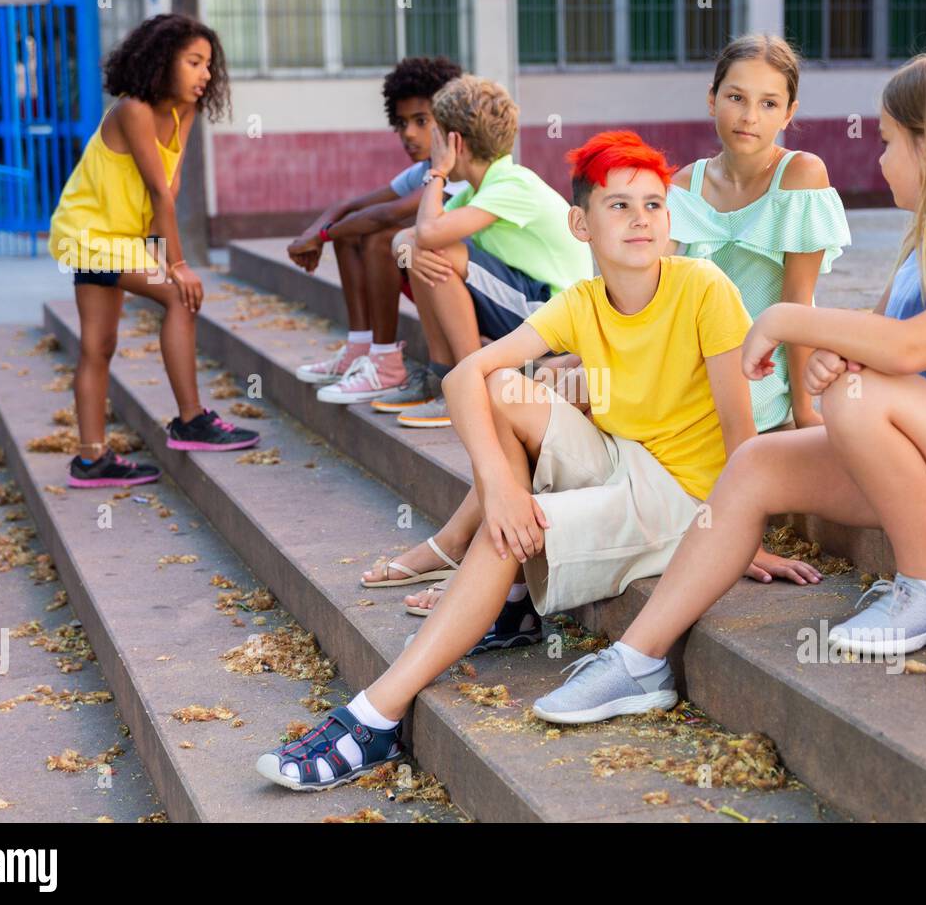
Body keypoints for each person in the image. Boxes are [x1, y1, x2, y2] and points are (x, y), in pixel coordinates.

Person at [531, 50, 926, 724]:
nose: (880, 160)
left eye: (892, 143)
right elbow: (887, 336)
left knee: (856, 398)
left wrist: (792, 323)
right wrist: (837, 358)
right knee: (754, 465)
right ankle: (637, 661)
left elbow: (914, 347)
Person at [255, 130, 817, 791]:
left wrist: (731, 534)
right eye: (619, 205)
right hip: (620, 461)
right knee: (503, 390)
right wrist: (499, 486)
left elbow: (740, 434)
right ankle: (514, 599)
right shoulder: (582, 301)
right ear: (580, 223)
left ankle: (375, 716)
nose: (641, 218)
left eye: (654, 204)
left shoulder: (703, 289)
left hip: (678, 500)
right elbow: (467, 375)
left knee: (506, 536)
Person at [50, 13, 258, 490]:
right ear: (164, 61)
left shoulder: (182, 113)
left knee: (98, 347)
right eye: (194, 62)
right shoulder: (134, 110)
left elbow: (171, 185)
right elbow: (160, 195)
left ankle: (91, 460)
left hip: (121, 237)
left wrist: (160, 250)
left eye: (209, 64)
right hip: (91, 234)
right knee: (178, 295)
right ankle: (190, 420)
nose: (206, 74)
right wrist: (177, 265)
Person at [668, 33, 850, 435]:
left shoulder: (802, 176)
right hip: (690, 372)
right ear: (712, 99)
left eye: (769, 104)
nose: (750, 116)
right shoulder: (682, 187)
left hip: (761, 381)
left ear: (788, 114)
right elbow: (659, 298)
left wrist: (804, 412)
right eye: (736, 98)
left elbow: (797, 304)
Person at [388, 75, 593, 429]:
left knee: (436, 248)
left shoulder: (515, 184)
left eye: (436, 133)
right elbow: (409, 237)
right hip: (527, 312)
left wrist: (436, 172)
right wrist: (405, 244)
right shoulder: (476, 192)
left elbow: (428, 231)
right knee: (425, 250)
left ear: (455, 143)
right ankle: (443, 377)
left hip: (556, 319)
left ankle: (467, 391)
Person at [289, 57, 465, 409]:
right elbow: (352, 206)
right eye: (401, 124)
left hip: (470, 295)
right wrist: (315, 231)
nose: (409, 134)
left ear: (448, 120)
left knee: (380, 237)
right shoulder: (423, 170)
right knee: (353, 233)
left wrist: (321, 238)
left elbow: (385, 214)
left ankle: (386, 363)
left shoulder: (457, 171)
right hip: (439, 282)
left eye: (421, 121)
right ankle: (361, 347)